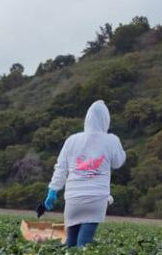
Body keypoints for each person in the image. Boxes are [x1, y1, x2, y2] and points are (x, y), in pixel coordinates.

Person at [44, 101, 125, 246]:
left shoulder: (72, 140)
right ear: (106, 120)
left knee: (71, 240)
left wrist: (53, 191)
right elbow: (118, 162)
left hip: (73, 198)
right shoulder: (111, 140)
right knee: (84, 241)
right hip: (96, 198)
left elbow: (61, 168)